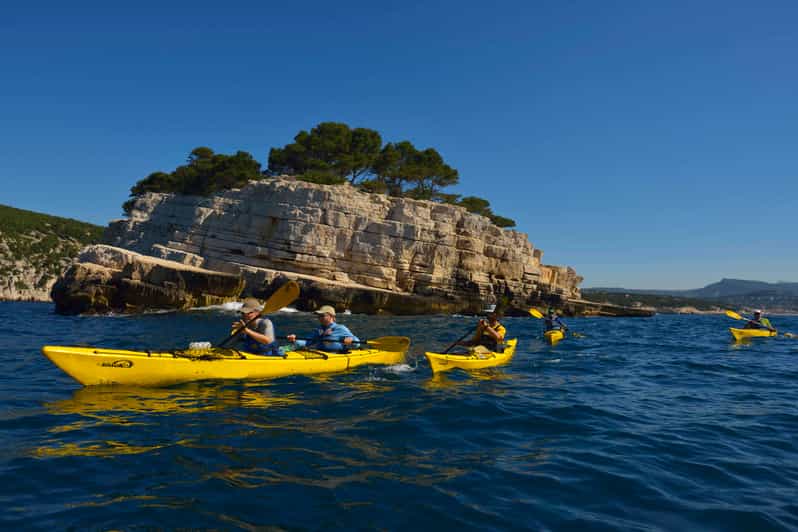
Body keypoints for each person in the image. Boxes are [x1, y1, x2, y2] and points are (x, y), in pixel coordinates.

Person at [286, 305, 360, 352]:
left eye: (322, 315)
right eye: (319, 316)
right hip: (320, 354)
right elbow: (307, 342)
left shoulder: (340, 328)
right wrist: (295, 340)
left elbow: (357, 343)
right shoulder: (318, 330)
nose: (319, 318)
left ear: (331, 316)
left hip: (336, 355)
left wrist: (351, 340)